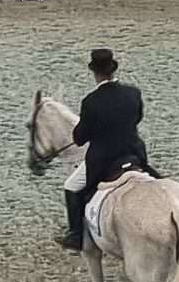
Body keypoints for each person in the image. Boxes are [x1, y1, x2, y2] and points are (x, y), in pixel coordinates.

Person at [63, 46, 153, 254]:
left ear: (94, 72)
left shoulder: (91, 102)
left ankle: (76, 235)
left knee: (71, 186)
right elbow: (137, 118)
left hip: (103, 159)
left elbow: (80, 138)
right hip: (133, 152)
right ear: (113, 69)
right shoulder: (133, 93)